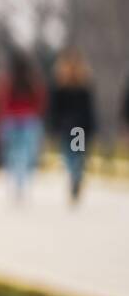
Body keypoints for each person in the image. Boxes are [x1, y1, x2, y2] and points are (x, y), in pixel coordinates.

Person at [0, 49, 47, 202]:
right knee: (26, 153)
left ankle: (17, 180)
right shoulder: (32, 80)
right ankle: (21, 181)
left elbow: (0, 100)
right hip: (28, 119)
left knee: (13, 153)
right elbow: (40, 99)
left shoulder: (7, 80)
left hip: (11, 120)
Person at [48, 48, 97, 203]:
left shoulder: (61, 86)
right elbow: (89, 110)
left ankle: (74, 176)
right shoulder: (83, 86)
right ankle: (76, 176)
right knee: (78, 154)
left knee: (69, 155)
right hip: (80, 127)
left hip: (67, 127)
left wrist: (54, 125)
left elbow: (54, 109)